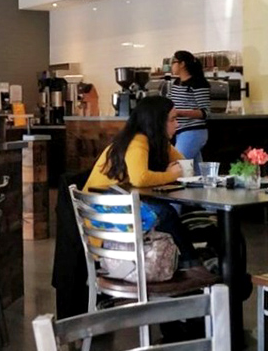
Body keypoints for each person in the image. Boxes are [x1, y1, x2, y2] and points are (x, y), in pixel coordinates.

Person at [84, 95, 197, 264]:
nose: (178, 124)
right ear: (157, 122)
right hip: (103, 210)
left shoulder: (156, 142)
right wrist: (171, 175)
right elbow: (140, 178)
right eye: (172, 120)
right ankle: (190, 262)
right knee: (164, 212)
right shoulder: (138, 142)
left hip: (113, 204)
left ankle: (179, 262)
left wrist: (175, 166)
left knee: (163, 212)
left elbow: (185, 166)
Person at [169, 50, 210, 168]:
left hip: (193, 131)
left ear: (182, 64)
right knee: (195, 172)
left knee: (178, 165)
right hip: (181, 131)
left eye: (174, 62)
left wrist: (179, 113)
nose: (172, 66)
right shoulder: (176, 82)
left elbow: (205, 112)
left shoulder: (198, 83)